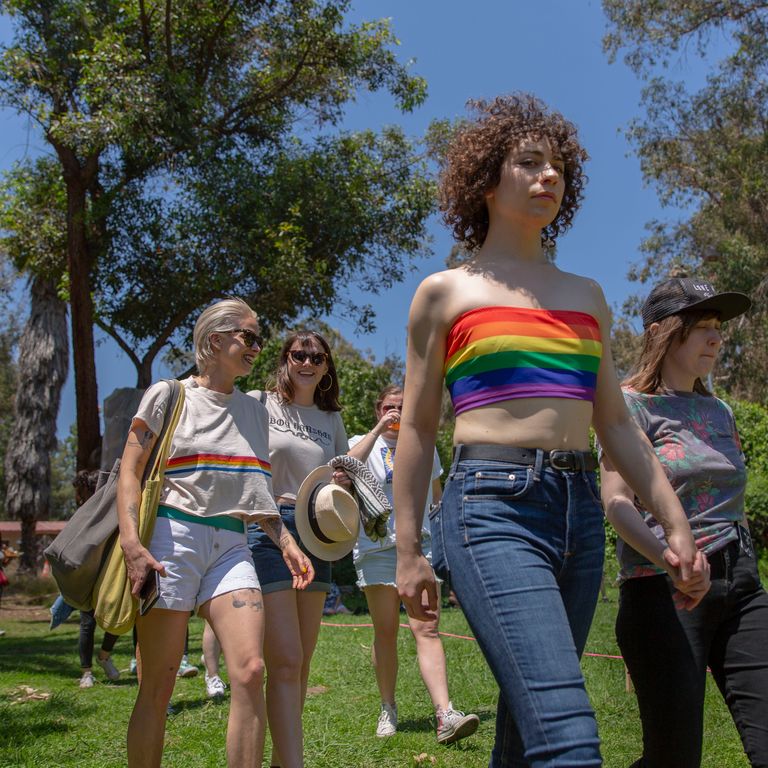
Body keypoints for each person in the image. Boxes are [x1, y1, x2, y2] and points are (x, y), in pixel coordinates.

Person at [392, 93, 705, 767]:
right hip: (490, 510)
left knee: (524, 723)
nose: (548, 176)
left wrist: (673, 525)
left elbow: (616, 423)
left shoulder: (586, 295)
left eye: (558, 166)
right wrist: (409, 548)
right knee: (567, 734)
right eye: (528, 162)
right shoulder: (445, 292)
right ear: (486, 181)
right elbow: (417, 429)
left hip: (579, 517)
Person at [117, 298, 313, 768]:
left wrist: (286, 542)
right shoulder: (167, 395)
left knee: (249, 671)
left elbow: (256, 490)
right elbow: (129, 470)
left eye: (258, 338)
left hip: (232, 543)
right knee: (159, 683)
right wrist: (132, 545)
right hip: (171, 538)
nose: (256, 346)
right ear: (213, 341)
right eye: (248, 336)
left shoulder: (254, 413)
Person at [600, 277, 768, 768]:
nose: (716, 338)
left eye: (719, 328)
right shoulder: (628, 406)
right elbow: (616, 502)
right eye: (702, 327)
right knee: (673, 758)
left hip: (742, 583)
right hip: (664, 590)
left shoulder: (719, 409)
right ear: (663, 333)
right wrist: (672, 558)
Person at [247, 331, 354, 768]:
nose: (307, 362)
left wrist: (344, 482)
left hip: (318, 532)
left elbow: (345, 469)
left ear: (327, 366)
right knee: (285, 658)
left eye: (316, 357)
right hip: (269, 528)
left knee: (300, 662)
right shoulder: (260, 403)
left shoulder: (332, 420)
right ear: (285, 359)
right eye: (299, 354)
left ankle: (281, 756)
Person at [350, 385, 479, 744]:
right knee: (386, 630)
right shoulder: (365, 440)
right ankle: (388, 708)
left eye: (402, 408)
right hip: (376, 550)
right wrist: (377, 430)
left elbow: (438, 500)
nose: (395, 413)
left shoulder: (423, 447)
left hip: (419, 550)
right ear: (378, 410)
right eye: (389, 407)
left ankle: (445, 713)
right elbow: (343, 469)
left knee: (427, 628)